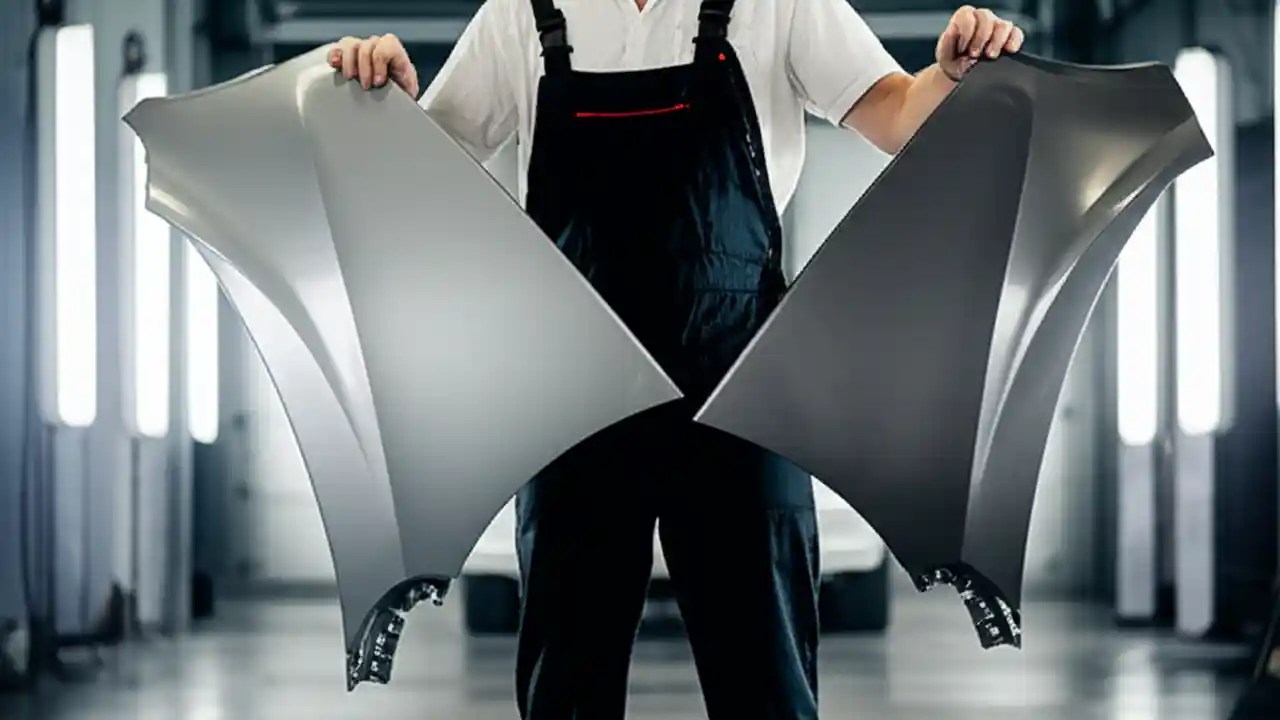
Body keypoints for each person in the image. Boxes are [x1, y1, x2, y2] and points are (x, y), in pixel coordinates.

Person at [330, 2, 1023, 717]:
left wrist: (950, 75)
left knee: (768, 688)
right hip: (581, 396)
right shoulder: (522, 10)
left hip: (741, 388)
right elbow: (426, 166)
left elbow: (898, 112)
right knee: (566, 687)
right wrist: (379, 101)